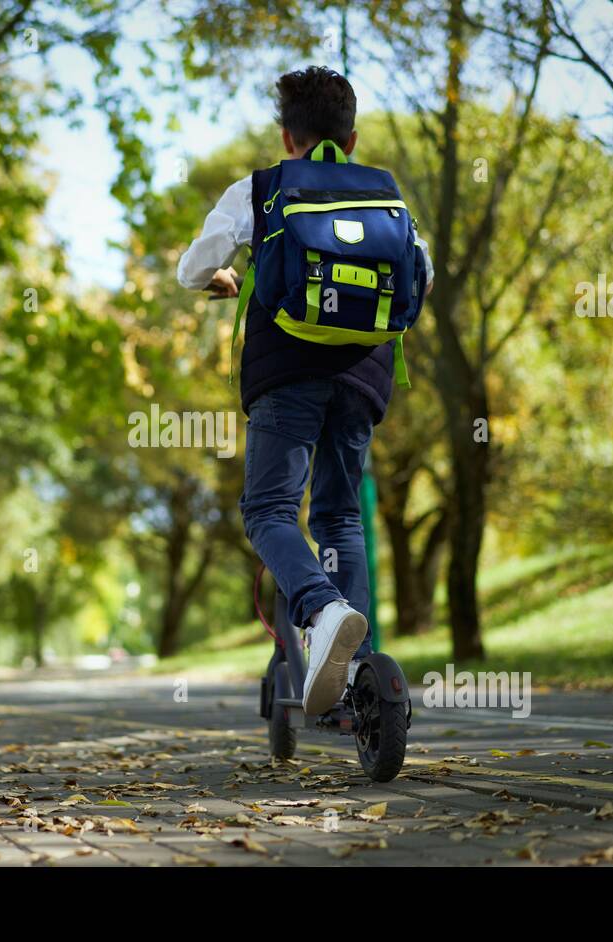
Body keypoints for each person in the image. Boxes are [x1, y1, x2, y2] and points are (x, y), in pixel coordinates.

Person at [177, 66, 433, 715]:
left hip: (286, 367)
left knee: (268, 510)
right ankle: (355, 676)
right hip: (362, 376)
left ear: (287, 136)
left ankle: (320, 615)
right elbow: (420, 276)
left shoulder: (261, 187)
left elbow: (192, 267)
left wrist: (226, 279)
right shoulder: (385, 193)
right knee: (341, 517)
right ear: (351, 139)